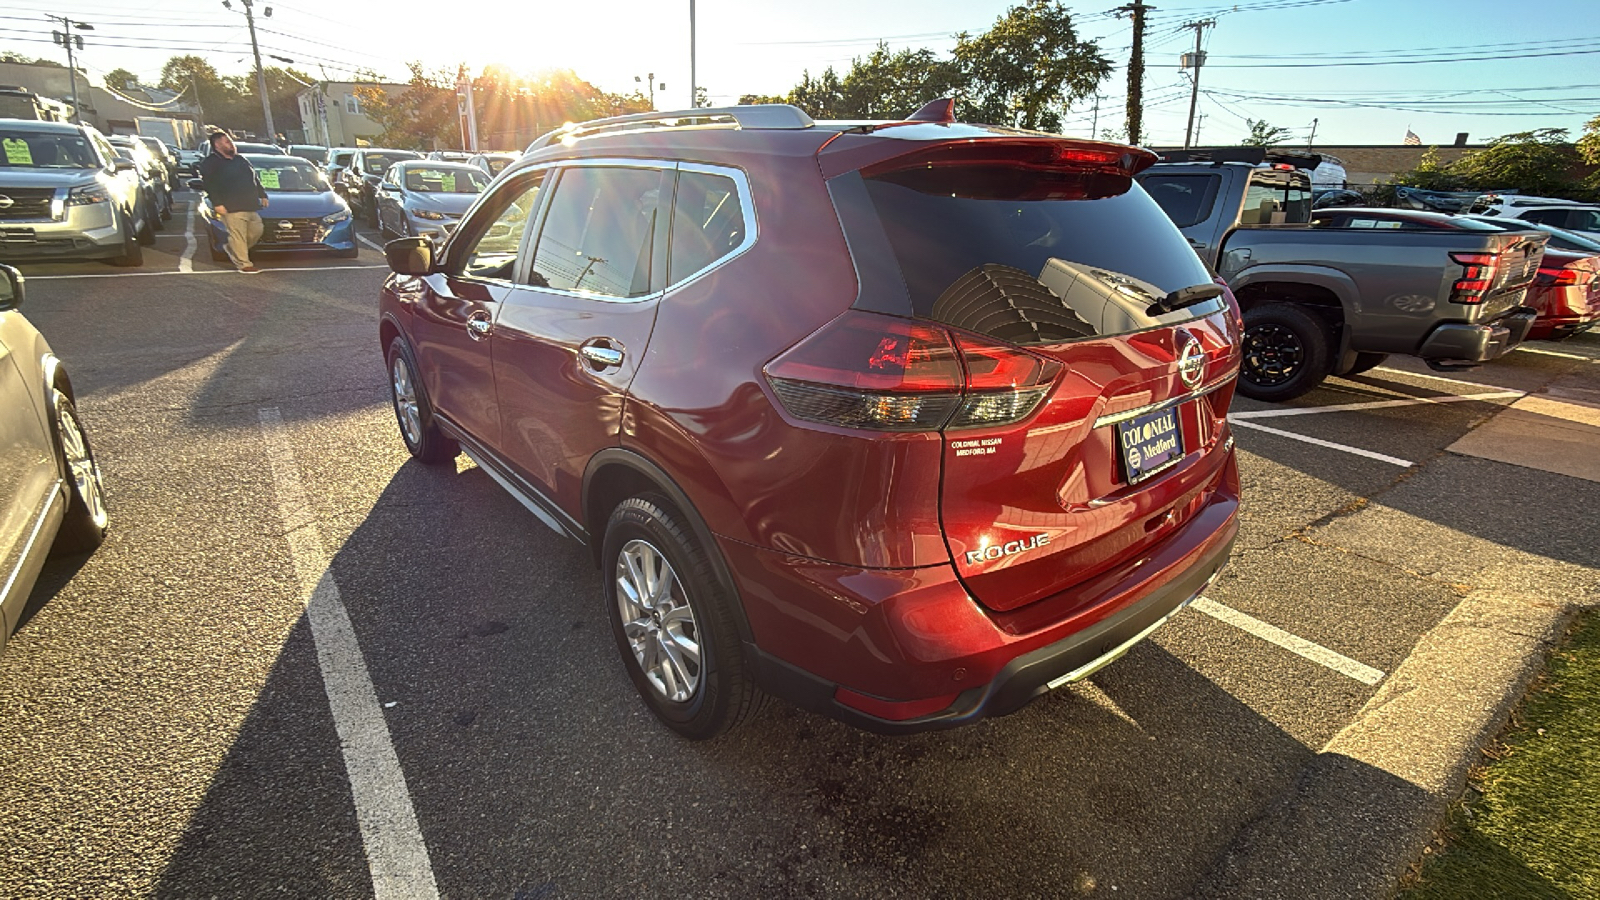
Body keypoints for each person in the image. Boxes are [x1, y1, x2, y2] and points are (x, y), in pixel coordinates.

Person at [197, 131, 269, 273]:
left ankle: (231, 248)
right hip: (231, 206)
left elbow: (254, 178)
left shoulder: (240, 160)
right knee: (238, 235)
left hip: (250, 204)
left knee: (256, 230)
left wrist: (262, 195)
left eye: (231, 141)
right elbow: (210, 185)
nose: (231, 144)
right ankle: (244, 264)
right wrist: (217, 203)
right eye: (227, 142)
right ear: (217, 145)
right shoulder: (211, 163)